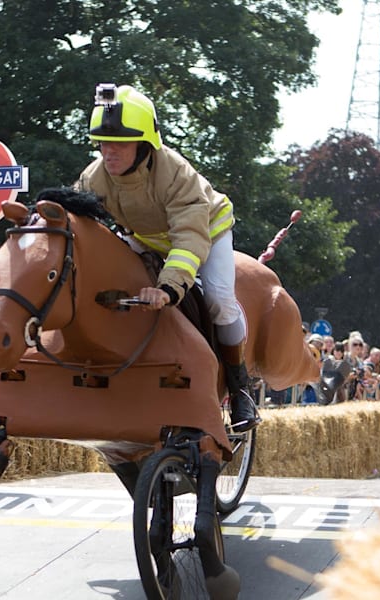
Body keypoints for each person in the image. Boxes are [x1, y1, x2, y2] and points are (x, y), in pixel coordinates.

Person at [75, 83, 259, 431]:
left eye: (120, 144)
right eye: (102, 143)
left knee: (219, 300)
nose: (108, 153)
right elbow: (76, 218)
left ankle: (240, 390)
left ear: (145, 145)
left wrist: (169, 288)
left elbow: (189, 238)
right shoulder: (94, 175)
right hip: (146, 238)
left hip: (207, 231)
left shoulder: (175, 172)